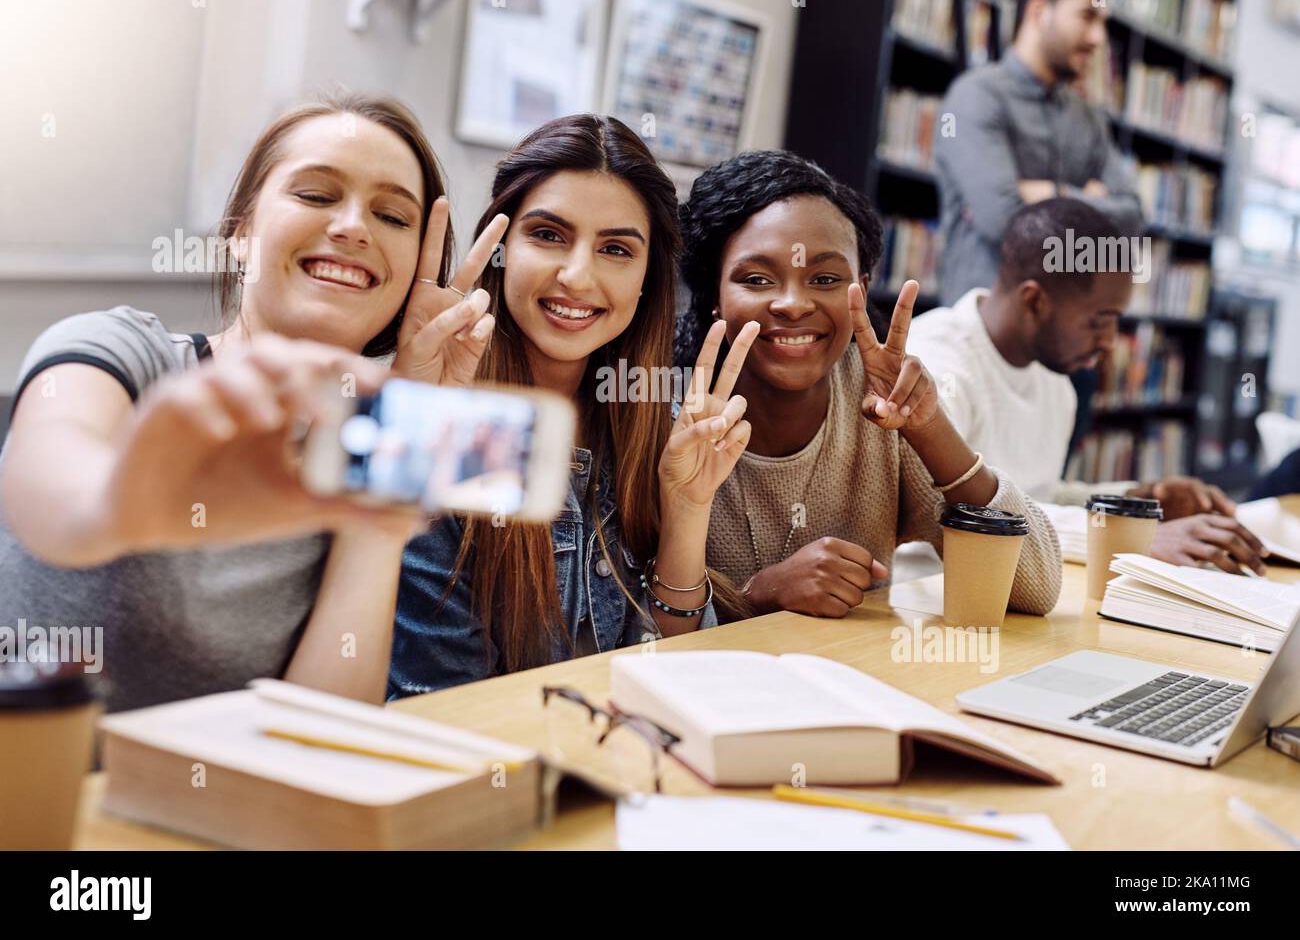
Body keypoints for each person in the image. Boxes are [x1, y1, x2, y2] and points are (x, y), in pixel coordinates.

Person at [0, 91, 503, 712]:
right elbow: (54, 501)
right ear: (240, 235)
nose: (352, 227)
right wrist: (127, 504)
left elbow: (319, 730)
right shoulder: (117, 348)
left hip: (209, 805)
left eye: (393, 218)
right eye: (316, 195)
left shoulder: (364, 444)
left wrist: (399, 443)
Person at [388, 115, 759, 695]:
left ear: (646, 277)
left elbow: (679, 683)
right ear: (500, 247)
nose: (577, 276)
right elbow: (441, 709)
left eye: (615, 249)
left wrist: (687, 510)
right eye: (548, 235)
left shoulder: (658, 422)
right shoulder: (443, 413)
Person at [675, 150, 1061, 620]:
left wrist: (930, 428)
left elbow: (1035, 587)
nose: (794, 304)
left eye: (825, 278)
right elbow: (630, 623)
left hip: (852, 681)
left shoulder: (880, 398)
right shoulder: (669, 408)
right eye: (757, 279)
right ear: (713, 295)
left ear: (860, 286)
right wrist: (757, 594)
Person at [910, 197, 1268, 576]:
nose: (1111, 342)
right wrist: (1127, 538)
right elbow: (956, 513)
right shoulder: (937, 366)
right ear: (1034, 301)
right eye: (1099, 322)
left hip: (1018, 586)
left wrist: (1138, 499)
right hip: (929, 596)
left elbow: (1038, 497)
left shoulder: (1054, 379)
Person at [934, 0, 1143, 307]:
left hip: (1063, 347)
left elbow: (1132, 220)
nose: (1099, 38)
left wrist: (1048, 194)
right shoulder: (975, 97)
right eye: (1087, 16)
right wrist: (1088, 204)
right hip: (979, 340)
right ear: (1039, 11)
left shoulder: (1090, 119)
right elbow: (1003, 223)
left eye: (1103, 22)